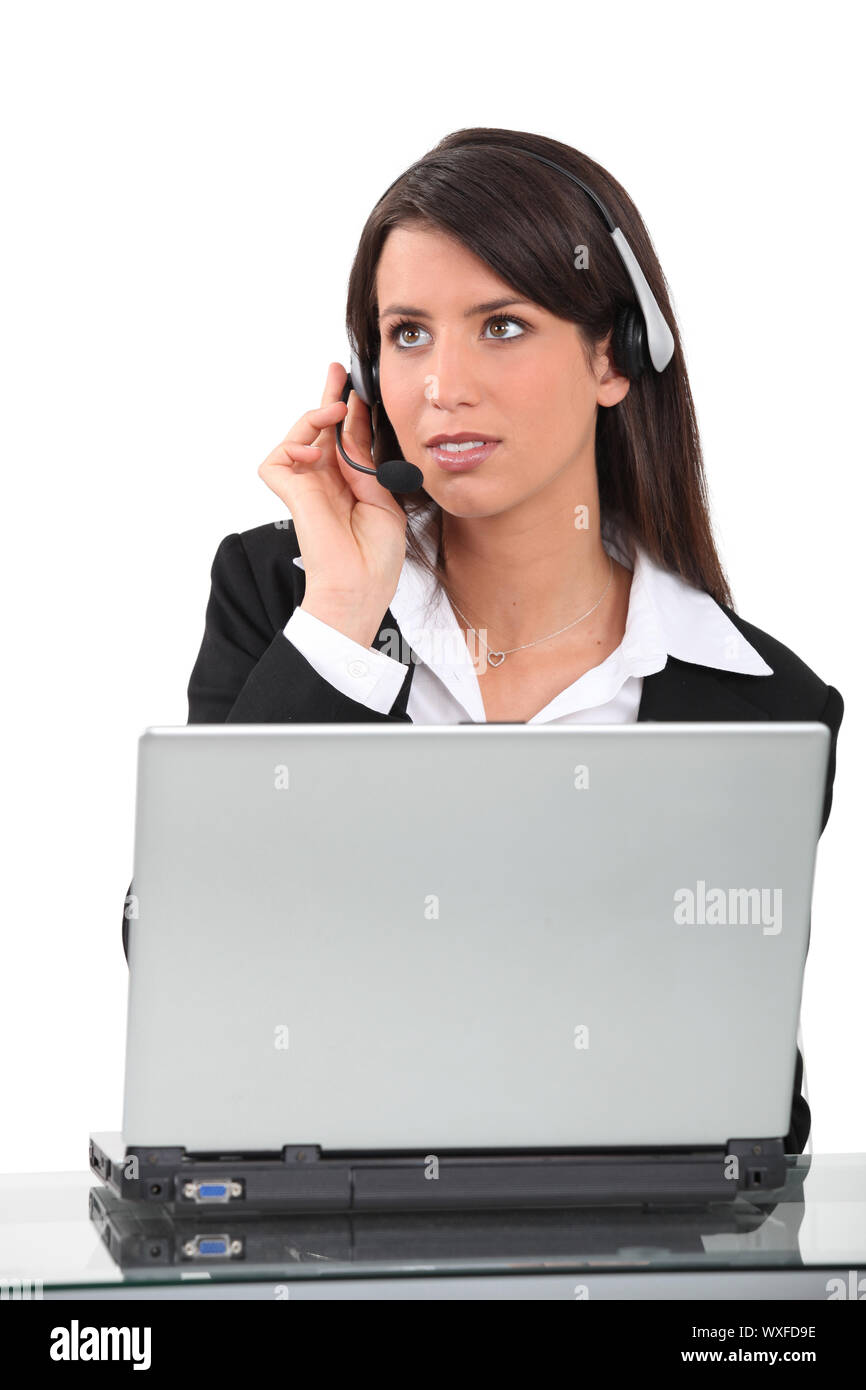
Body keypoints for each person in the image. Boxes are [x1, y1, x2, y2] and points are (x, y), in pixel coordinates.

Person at [123, 128, 844, 1155]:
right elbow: (179, 957)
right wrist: (340, 609)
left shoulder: (763, 704)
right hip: (329, 1238)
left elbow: (746, 1110)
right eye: (407, 334)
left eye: (500, 325)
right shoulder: (281, 594)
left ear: (612, 356)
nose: (439, 386)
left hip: (619, 1249)